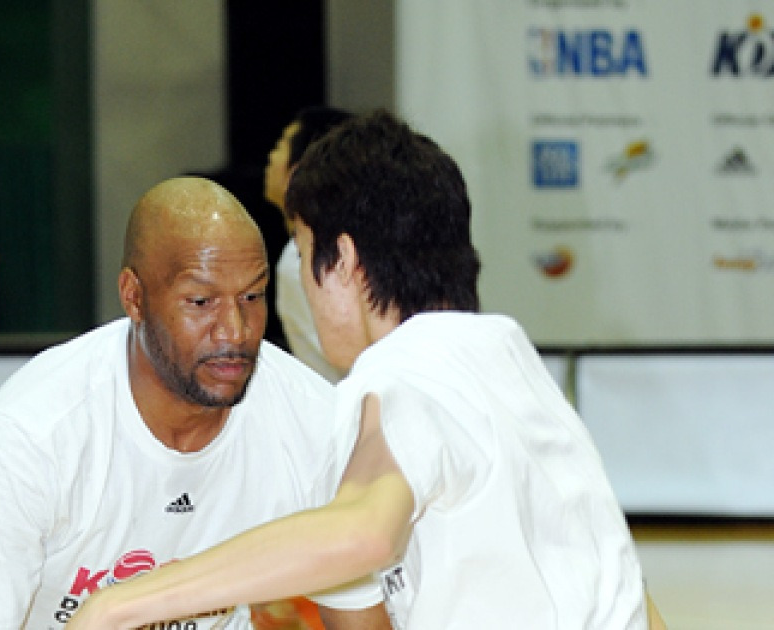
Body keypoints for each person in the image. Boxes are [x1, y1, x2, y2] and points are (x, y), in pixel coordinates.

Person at [64, 111, 668, 629]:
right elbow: (629, 595)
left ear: (344, 261)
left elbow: (363, 534)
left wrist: (120, 604)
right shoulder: (516, 369)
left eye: (303, 254)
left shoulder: (403, 371)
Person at [0, 176, 388, 630]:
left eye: (251, 298)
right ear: (134, 296)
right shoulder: (33, 435)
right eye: (201, 302)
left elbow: (361, 616)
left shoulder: (312, 420)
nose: (234, 330)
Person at [264, 106, 354, 383]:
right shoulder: (310, 252)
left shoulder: (301, 259)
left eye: (280, 145)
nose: (270, 156)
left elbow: (347, 365)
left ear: (298, 171)